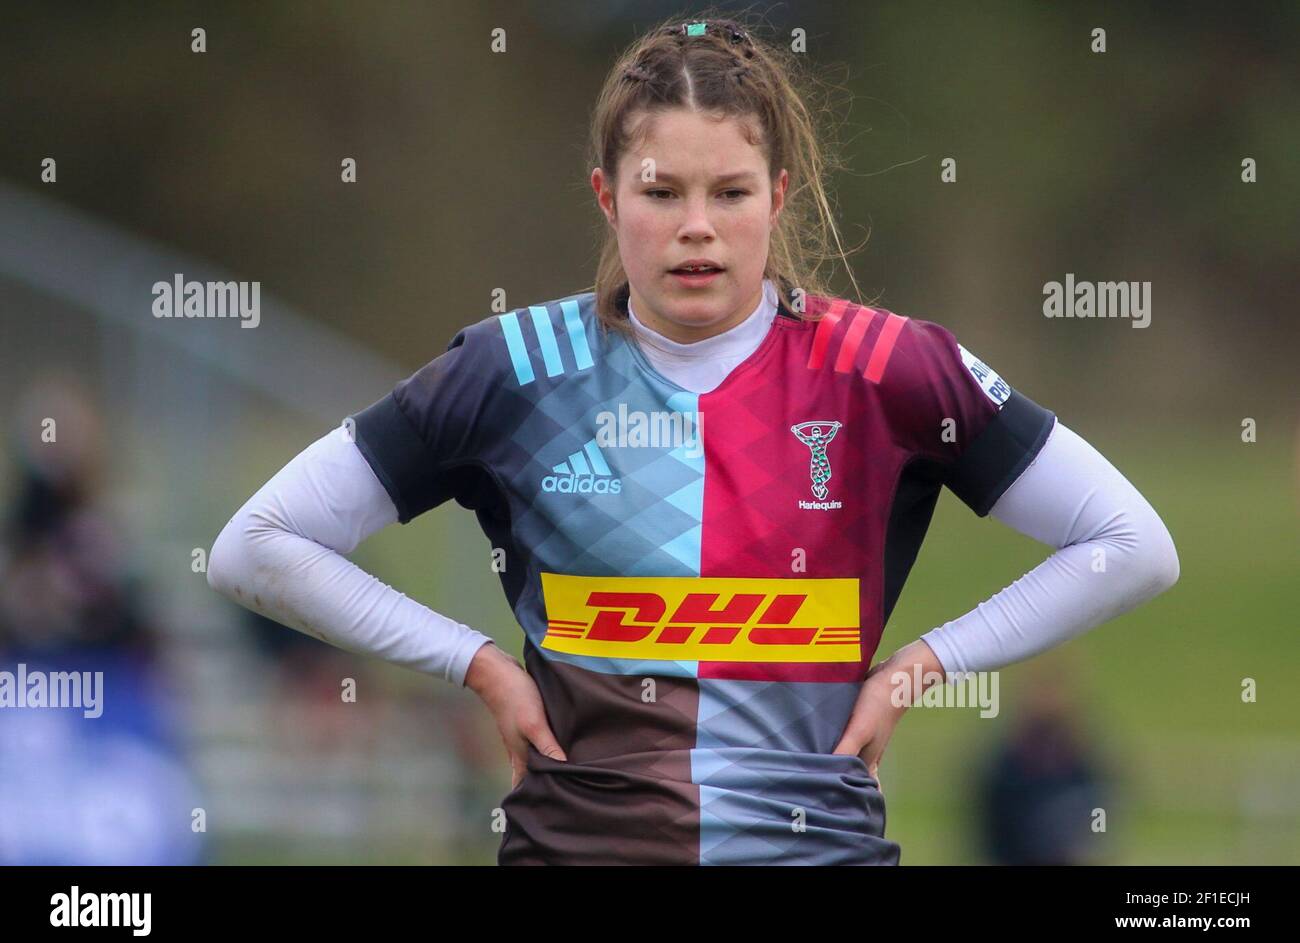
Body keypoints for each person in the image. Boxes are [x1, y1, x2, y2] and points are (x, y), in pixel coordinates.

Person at [207, 14, 1179, 865]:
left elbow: (1132, 544)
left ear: (780, 194)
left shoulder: (887, 368)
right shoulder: (513, 368)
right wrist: (478, 662)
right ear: (604, 195)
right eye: (661, 191)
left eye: (731, 192)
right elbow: (259, 544)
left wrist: (925, 662)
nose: (697, 229)